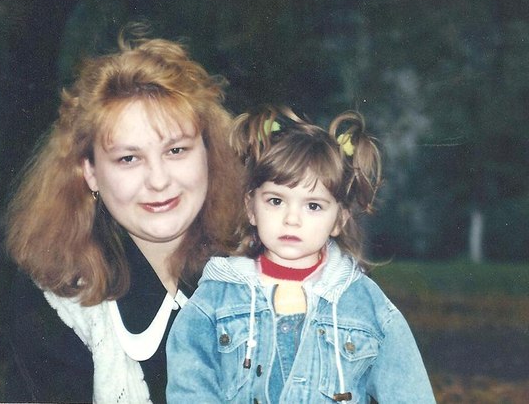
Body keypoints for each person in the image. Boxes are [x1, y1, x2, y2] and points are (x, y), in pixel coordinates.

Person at [4, 27, 243, 403]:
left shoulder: (270, 262)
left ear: (209, 154)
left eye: (176, 151)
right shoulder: (54, 300)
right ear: (90, 172)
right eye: (129, 158)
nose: (159, 180)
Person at [166, 105, 435, 403]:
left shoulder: (364, 303)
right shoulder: (216, 297)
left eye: (313, 206)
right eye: (276, 201)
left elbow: (411, 394)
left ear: (339, 219)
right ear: (251, 208)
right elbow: (189, 387)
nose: (292, 219)